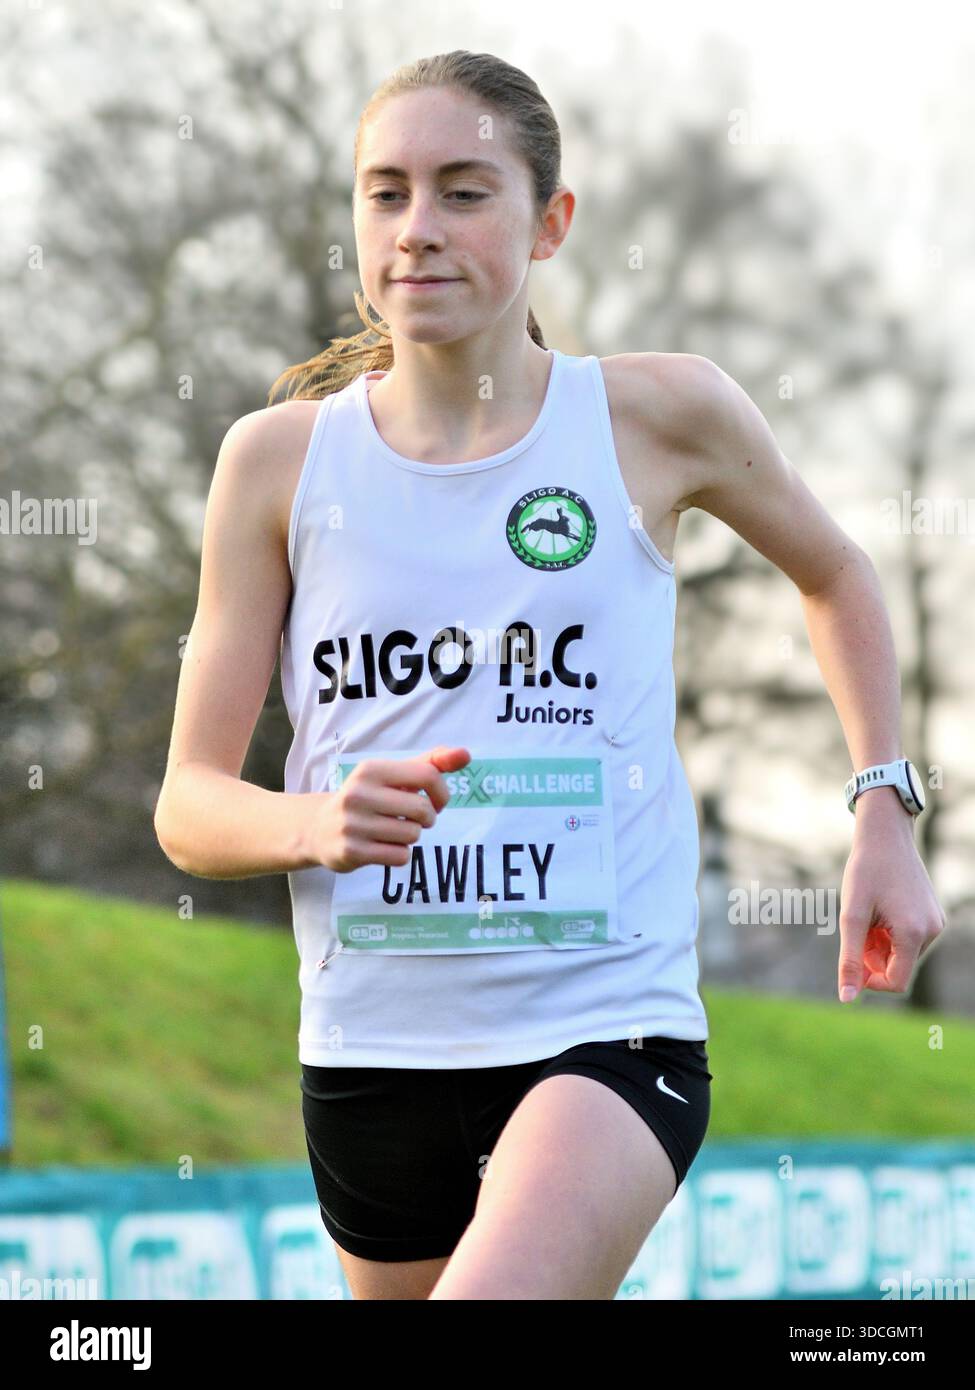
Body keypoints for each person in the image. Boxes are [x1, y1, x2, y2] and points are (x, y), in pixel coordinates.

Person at [154, 50, 946, 1301]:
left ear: (552, 222)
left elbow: (838, 575)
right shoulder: (274, 464)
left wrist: (884, 808)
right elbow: (188, 804)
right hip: (372, 1051)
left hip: (604, 1028)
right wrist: (314, 821)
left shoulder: (655, 418)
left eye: (466, 192)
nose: (418, 229)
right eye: (387, 192)